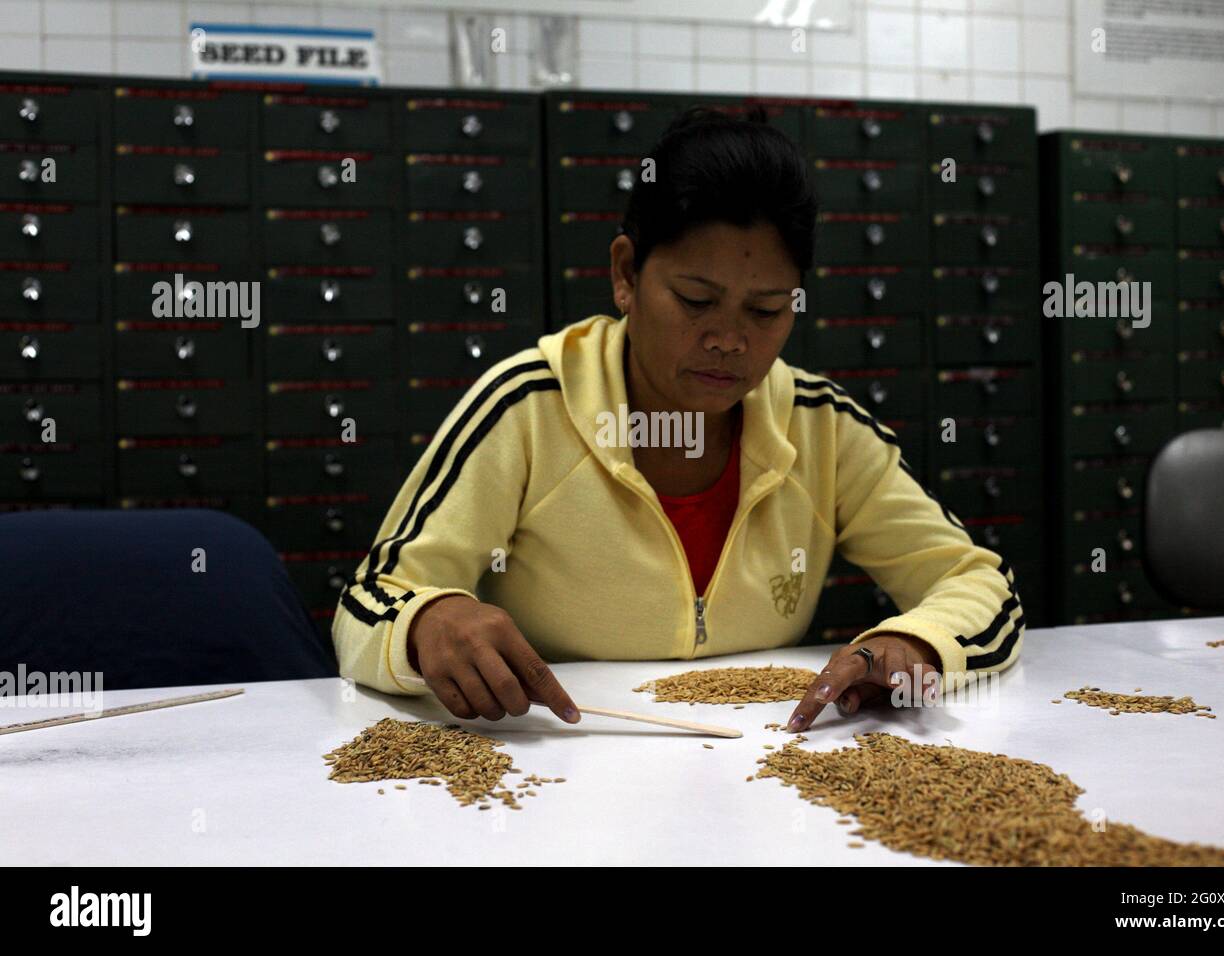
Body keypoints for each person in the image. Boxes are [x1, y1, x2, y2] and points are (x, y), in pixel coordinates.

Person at [333, 106, 1024, 732]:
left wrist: (913, 643)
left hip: (763, 776)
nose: (730, 341)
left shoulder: (822, 428)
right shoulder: (525, 408)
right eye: (696, 300)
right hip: (562, 769)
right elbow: (371, 600)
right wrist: (425, 622)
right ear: (627, 274)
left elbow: (978, 585)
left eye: (766, 311)